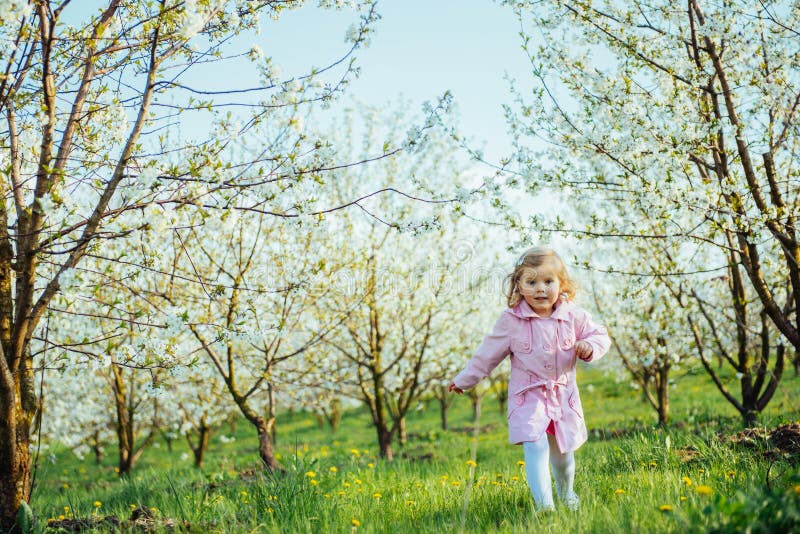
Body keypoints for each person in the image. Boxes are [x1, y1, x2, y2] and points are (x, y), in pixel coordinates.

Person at [449, 246, 610, 511]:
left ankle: (566, 493)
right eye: (531, 282)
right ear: (519, 286)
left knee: (562, 454)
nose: (540, 289)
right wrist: (465, 379)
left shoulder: (573, 316)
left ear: (561, 284)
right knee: (535, 446)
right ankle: (545, 507)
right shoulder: (512, 321)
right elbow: (487, 353)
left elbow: (600, 335)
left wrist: (589, 346)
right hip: (528, 396)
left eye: (548, 281)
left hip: (562, 396)